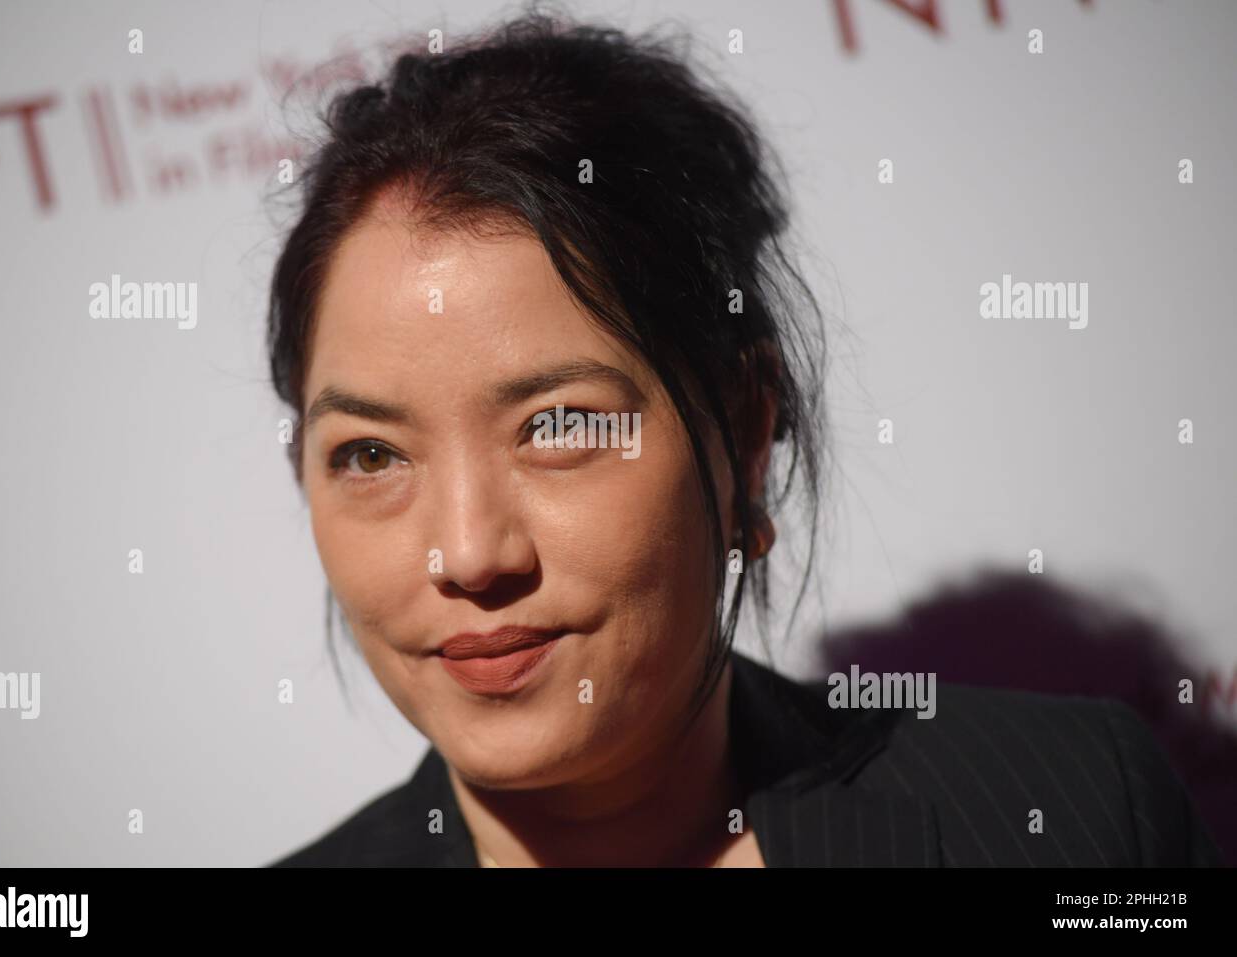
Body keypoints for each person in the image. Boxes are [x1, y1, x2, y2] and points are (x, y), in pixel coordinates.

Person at [265, 10, 1220, 868]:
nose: (469, 553)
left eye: (558, 425)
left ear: (748, 434)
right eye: (371, 454)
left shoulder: (1076, 813)